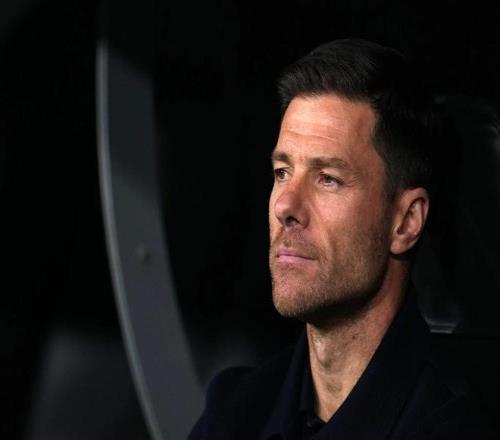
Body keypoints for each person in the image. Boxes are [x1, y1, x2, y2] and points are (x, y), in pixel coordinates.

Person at [188, 38, 493, 439]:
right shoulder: (236, 409)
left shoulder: (450, 428)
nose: (285, 206)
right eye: (282, 172)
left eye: (327, 179)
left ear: (405, 222)